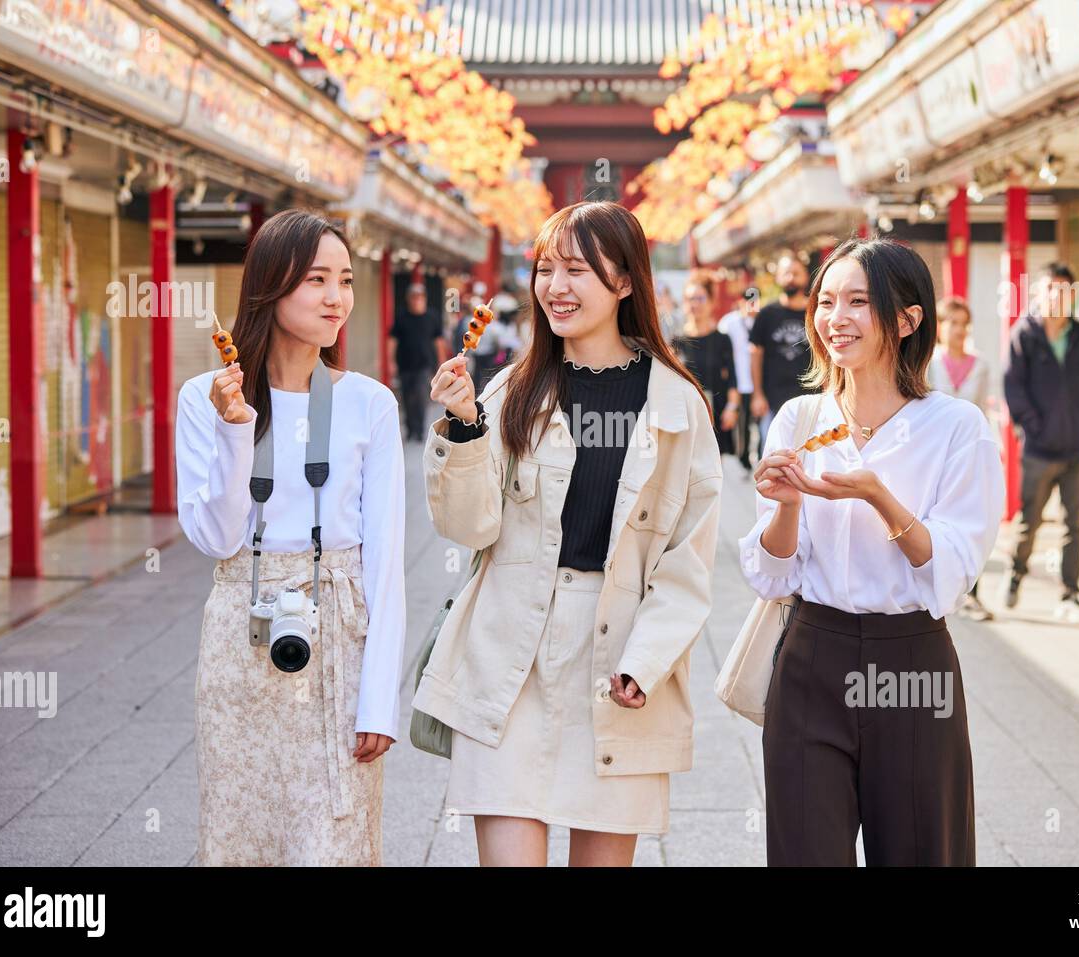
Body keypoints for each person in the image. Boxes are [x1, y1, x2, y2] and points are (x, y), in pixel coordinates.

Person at [413, 201, 722, 867]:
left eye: (577, 269)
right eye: (545, 268)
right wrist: (464, 429)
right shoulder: (512, 389)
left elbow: (686, 561)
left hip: (615, 657)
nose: (555, 285)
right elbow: (468, 527)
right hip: (510, 650)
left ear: (626, 282)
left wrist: (646, 660)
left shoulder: (677, 405)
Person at [739, 238, 1004, 866]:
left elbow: (950, 573)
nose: (837, 318)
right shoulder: (799, 420)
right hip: (811, 657)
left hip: (912, 662)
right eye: (827, 302)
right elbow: (774, 575)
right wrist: (787, 502)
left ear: (908, 319)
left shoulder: (957, 427)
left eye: (859, 302)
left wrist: (881, 498)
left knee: (921, 852)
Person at [175, 208, 406, 866]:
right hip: (241, 632)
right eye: (316, 280)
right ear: (270, 286)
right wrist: (234, 430)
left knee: (333, 841)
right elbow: (219, 538)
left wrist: (379, 697)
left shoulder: (369, 402)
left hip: (339, 627)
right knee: (240, 839)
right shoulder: (205, 397)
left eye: (346, 280)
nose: (337, 298)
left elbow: (385, 559)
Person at [1002, 262, 1079, 622]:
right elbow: (1013, 388)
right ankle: (1016, 574)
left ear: (1073, 295)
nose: (1057, 297)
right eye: (1051, 290)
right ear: (1038, 293)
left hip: (1076, 451)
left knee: (1073, 525)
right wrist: (1034, 429)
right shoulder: (1024, 335)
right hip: (1039, 452)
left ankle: (1070, 593)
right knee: (1030, 521)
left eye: (1064, 291)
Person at [928, 295, 994, 621]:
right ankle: (937, 586)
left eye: (963, 324)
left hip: (967, 455)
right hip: (933, 455)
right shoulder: (928, 363)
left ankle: (973, 593)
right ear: (939, 326)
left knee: (969, 521)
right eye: (951, 322)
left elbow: (981, 413)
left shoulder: (980, 365)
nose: (958, 330)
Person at [749, 254, 815, 460]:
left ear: (805, 277)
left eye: (796, 273)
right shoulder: (767, 314)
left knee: (809, 457)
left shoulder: (815, 312)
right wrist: (757, 394)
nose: (791, 278)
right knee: (772, 457)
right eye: (786, 273)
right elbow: (755, 355)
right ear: (778, 278)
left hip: (810, 398)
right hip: (773, 399)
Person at [672, 276, 740, 459]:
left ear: (711, 302)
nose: (695, 304)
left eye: (700, 298)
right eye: (690, 299)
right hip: (685, 415)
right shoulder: (676, 341)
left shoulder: (722, 339)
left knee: (713, 472)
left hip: (715, 411)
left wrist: (732, 407)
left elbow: (732, 375)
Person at [391, 282, 446, 443]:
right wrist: (391, 362)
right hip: (405, 364)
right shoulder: (401, 317)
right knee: (407, 397)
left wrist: (442, 363)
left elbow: (439, 341)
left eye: (420, 297)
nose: (417, 300)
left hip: (424, 364)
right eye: (413, 297)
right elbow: (392, 341)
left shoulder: (432, 316)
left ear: (424, 299)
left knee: (421, 397)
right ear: (409, 299)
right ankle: (410, 429)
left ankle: (420, 430)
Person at [718, 286, 760, 473]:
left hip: (757, 382)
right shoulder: (730, 322)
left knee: (757, 422)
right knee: (742, 423)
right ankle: (743, 457)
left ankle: (756, 455)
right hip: (739, 382)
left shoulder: (760, 322)